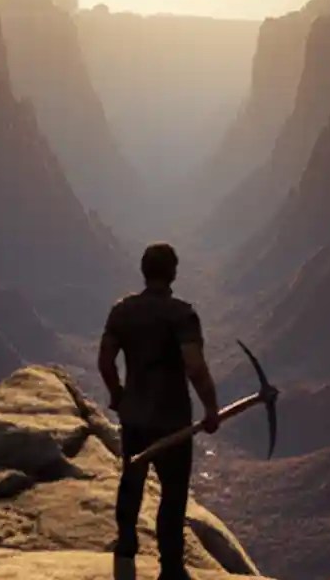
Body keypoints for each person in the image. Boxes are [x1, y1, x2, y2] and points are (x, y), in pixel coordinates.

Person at [98, 243, 221, 580]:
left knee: (132, 478)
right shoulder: (181, 315)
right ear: (173, 273)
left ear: (144, 270)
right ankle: (170, 568)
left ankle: (125, 546)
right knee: (173, 492)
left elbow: (105, 359)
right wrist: (211, 408)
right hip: (172, 421)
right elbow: (194, 366)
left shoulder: (122, 312)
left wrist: (117, 395)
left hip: (134, 416)